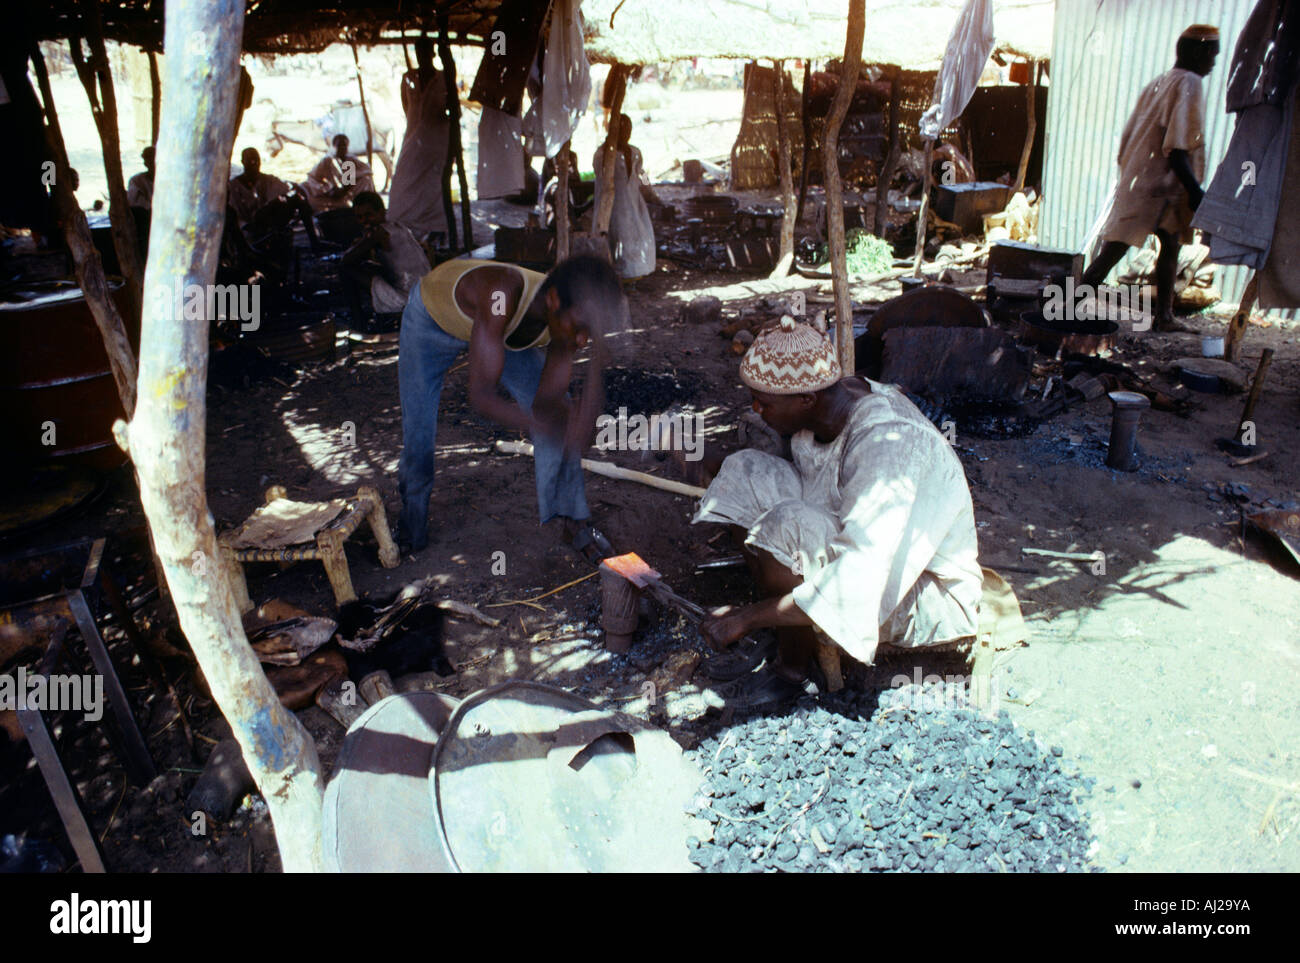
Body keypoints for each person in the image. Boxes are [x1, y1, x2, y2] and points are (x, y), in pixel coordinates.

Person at [693, 316, 983, 707]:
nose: (755, 409)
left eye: (764, 402)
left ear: (807, 400)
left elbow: (859, 576)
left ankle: (793, 671)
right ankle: (791, 630)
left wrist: (746, 618)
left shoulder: (887, 445)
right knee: (745, 472)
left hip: (921, 591)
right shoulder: (825, 399)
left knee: (786, 527)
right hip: (850, 529)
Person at [397, 255, 627, 556]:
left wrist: (576, 410)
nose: (582, 340)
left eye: (591, 333)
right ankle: (411, 525)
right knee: (418, 429)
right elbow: (481, 396)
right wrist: (546, 426)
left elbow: (547, 405)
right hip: (430, 320)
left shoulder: (565, 323)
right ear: (555, 300)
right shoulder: (499, 294)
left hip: (498, 332)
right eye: (581, 328)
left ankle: (574, 520)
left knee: (563, 413)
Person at [1081, 24, 1220, 332]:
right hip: (1161, 185)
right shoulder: (1190, 83)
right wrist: (1195, 191)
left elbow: (1130, 136)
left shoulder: (1159, 83)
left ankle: (1165, 316)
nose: (1213, 63)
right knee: (1114, 253)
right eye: (1212, 55)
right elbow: (1177, 147)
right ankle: (1068, 308)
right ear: (1200, 51)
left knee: (1169, 246)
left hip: (1147, 182)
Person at [387, 38, 451, 243]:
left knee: (433, 184)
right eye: (419, 51)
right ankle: (404, 221)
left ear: (433, 53)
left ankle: (436, 227)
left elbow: (452, 109)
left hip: (437, 139)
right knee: (403, 179)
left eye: (426, 51)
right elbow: (407, 107)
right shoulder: (409, 77)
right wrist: (418, 127)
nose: (423, 56)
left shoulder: (443, 78)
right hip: (414, 136)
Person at [341, 191, 430, 328]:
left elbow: (345, 260)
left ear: (382, 212)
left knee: (345, 270)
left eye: (369, 215)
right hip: (425, 294)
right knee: (367, 266)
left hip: (408, 299)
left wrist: (362, 242)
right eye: (360, 217)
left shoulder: (380, 233)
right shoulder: (399, 227)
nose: (365, 221)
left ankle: (359, 322)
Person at [591, 114, 656, 280]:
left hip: (633, 202)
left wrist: (651, 193)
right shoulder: (602, 154)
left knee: (636, 236)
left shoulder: (634, 152)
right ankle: (617, 276)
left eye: (629, 129)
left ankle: (633, 275)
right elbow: (600, 176)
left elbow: (640, 174)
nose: (627, 133)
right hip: (613, 205)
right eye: (623, 130)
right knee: (616, 238)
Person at [228, 147, 322, 252]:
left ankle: (314, 242)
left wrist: (292, 197)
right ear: (242, 162)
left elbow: (288, 188)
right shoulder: (234, 186)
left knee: (296, 197)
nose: (254, 164)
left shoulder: (267, 180)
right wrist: (246, 226)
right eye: (250, 161)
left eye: (256, 161)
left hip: (269, 221)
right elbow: (235, 214)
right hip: (250, 225)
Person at [306, 134, 375, 214]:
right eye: (339, 146)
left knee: (366, 180)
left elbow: (367, 170)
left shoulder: (351, 159)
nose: (342, 148)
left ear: (347, 146)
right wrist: (327, 189)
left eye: (344, 146)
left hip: (348, 195)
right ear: (334, 146)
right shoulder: (327, 160)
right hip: (331, 196)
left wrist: (350, 180)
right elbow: (312, 177)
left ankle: (361, 206)